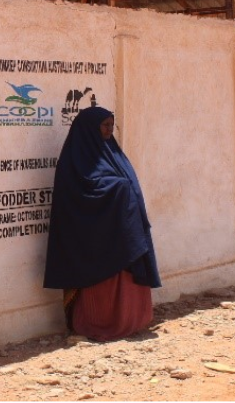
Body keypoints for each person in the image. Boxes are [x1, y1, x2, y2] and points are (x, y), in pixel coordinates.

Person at [43, 106, 161, 341]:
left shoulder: (113, 152)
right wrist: (119, 189)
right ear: (90, 129)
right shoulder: (74, 160)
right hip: (92, 243)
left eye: (111, 125)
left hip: (120, 236)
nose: (109, 130)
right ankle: (97, 324)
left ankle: (130, 320)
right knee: (98, 294)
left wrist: (122, 189)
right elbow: (80, 195)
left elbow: (125, 184)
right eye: (105, 125)